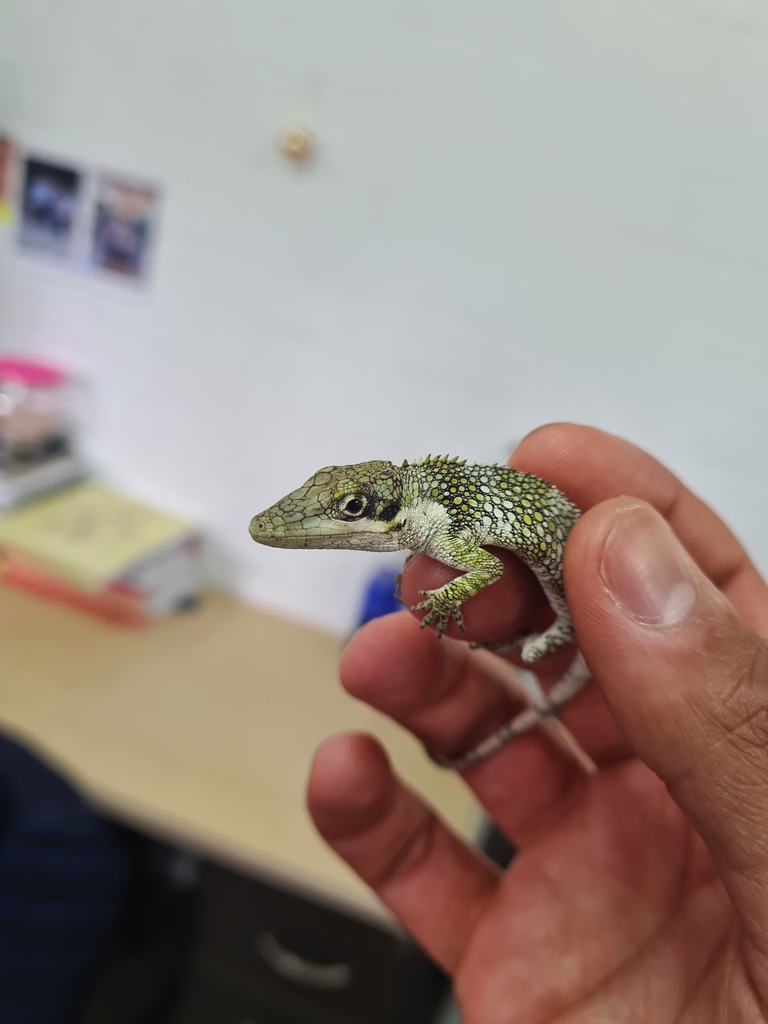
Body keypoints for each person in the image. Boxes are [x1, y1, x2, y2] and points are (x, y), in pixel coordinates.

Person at [307, 423, 768, 1023]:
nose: (323, 526)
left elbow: (482, 573)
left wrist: (446, 602)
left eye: (347, 512)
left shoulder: (442, 526)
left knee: (529, 653)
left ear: (393, 509)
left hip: (577, 603)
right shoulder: (433, 517)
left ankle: (523, 694)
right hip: (562, 596)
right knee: (520, 653)